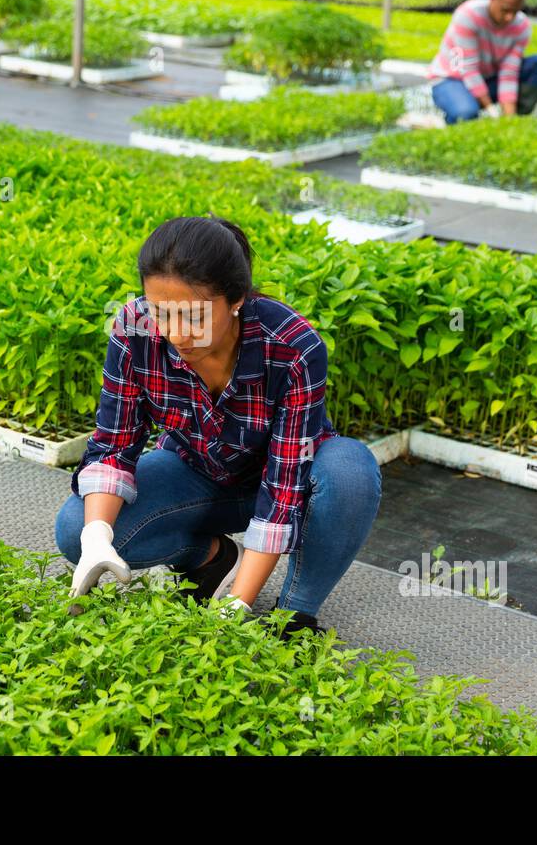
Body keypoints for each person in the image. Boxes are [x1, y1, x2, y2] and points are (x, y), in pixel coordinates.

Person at [53, 215, 383, 639]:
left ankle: (294, 616)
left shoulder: (292, 345)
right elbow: (114, 445)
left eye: (193, 317)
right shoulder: (133, 329)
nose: (175, 335)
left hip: (295, 481)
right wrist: (97, 538)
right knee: (73, 528)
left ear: (236, 300)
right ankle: (209, 558)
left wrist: (237, 606)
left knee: (349, 471)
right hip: (198, 473)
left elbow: (284, 486)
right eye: (161, 313)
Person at [426, 0, 537, 125]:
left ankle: (516, 120)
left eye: (515, 11)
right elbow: (469, 69)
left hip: (488, 79)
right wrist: (491, 110)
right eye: (505, 10)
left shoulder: (521, 27)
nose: (509, 17)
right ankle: (458, 115)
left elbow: (509, 73)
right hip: (452, 78)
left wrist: (508, 122)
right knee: (465, 113)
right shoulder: (469, 15)